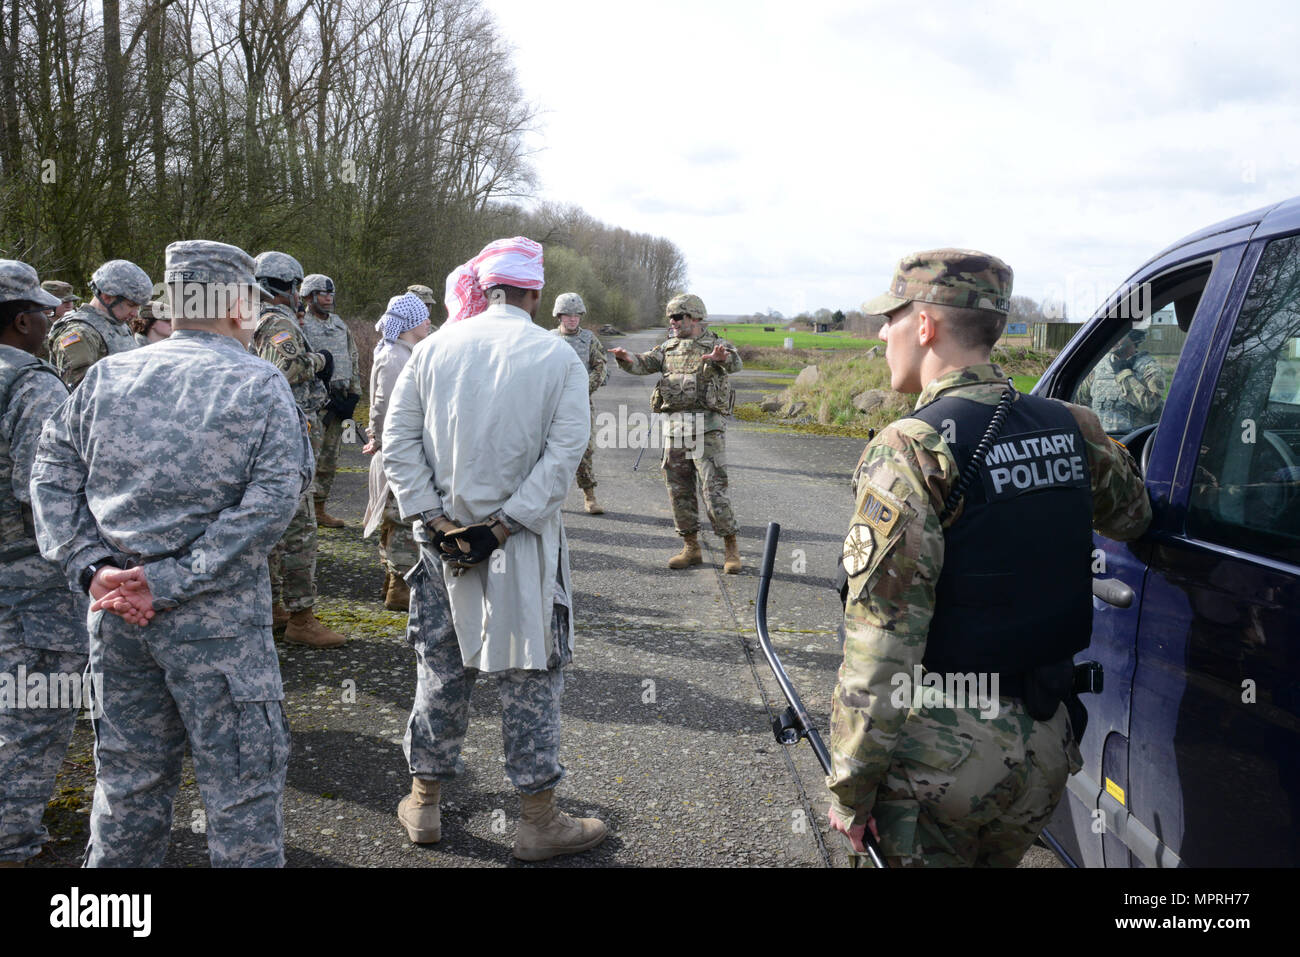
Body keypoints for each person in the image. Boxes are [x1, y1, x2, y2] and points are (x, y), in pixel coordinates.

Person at [825, 248, 1153, 867]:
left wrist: (852, 787)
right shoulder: (1073, 425)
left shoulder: (912, 448)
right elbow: (1133, 517)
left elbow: (882, 644)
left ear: (925, 325)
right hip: (1045, 749)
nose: (881, 332)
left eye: (890, 317)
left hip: (941, 763)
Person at [29, 240, 312, 867]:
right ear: (239, 301)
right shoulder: (260, 382)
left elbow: (50, 476)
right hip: (220, 633)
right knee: (241, 797)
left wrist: (92, 568)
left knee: (127, 789)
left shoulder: (107, 376)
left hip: (117, 620)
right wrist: (171, 579)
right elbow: (274, 502)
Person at [383, 236, 606, 860]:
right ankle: (537, 819)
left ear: (485, 290)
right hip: (524, 551)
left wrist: (432, 520)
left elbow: (397, 443)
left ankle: (424, 804)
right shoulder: (559, 358)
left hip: (441, 548)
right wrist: (503, 526)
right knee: (529, 675)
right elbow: (564, 458)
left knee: (440, 672)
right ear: (533, 293)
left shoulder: (432, 352)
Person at [0, 262, 87, 868]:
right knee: (33, 712)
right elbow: (45, 497)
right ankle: (10, 838)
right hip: (26, 585)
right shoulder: (31, 388)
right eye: (41, 313)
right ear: (24, 319)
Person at [250, 252, 344, 648]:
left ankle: (276, 607)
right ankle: (300, 617)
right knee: (301, 528)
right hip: (287, 438)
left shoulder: (248, 318)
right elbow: (287, 369)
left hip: (273, 435)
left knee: (276, 527)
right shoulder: (275, 322)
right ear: (286, 287)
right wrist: (320, 359)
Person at [611, 294, 743, 573]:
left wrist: (720, 359)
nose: (672, 322)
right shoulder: (668, 348)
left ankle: (730, 547)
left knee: (713, 490)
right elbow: (644, 363)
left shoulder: (716, 344)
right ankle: (691, 547)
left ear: (695, 317)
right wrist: (626, 358)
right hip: (675, 430)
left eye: (678, 317)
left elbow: (736, 364)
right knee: (679, 489)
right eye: (670, 318)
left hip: (707, 429)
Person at [361, 293, 431, 611]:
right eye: (422, 317)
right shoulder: (395, 357)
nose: (429, 321)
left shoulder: (405, 352)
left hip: (399, 445)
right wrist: (379, 438)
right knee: (399, 515)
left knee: (397, 515)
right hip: (397, 448)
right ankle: (398, 586)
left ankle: (392, 581)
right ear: (408, 324)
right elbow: (383, 404)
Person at [300, 274, 361, 528]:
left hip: (340, 401)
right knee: (308, 459)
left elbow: (352, 356)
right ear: (308, 297)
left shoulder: (338, 324)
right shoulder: (301, 325)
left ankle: (320, 508)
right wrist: (322, 399)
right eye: (322, 294)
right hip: (315, 406)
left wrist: (354, 395)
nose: (328, 298)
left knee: (329, 460)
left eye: (330, 294)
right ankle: (303, 512)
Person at [46, 260, 151, 388]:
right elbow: (81, 393)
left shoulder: (116, 324)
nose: (135, 313)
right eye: (131, 305)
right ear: (107, 297)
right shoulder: (80, 333)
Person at [550, 292, 608, 514]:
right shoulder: (549, 339)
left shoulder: (589, 340)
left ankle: (589, 496)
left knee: (584, 449)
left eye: (576, 315)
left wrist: (582, 390)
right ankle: (548, 497)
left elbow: (600, 367)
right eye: (567, 315)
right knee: (549, 450)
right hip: (553, 403)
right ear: (559, 316)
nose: (572, 319)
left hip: (581, 402)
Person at [1075, 328, 1165, 434]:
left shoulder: (1149, 368)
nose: (1112, 339)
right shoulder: (1098, 366)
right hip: (1101, 443)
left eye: (1119, 335)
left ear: (1134, 337)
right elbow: (1080, 403)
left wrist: (1124, 374)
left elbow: (1150, 404)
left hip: (1133, 442)